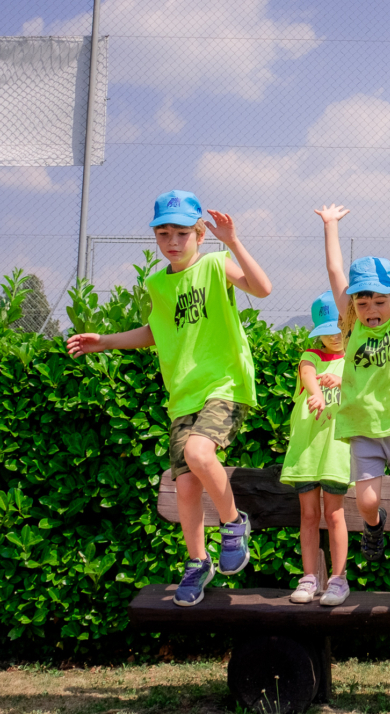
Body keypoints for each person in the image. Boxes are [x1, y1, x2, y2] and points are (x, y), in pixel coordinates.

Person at [66, 190, 272, 607]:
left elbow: (262, 289)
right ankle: (198, 562)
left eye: (182, 233)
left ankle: (234, 523)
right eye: (164, 234)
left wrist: (232, 241)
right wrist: (103, 341)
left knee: (200, 453)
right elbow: (155, 333)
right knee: (185, 486)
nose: (173, 242)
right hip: (183, 397)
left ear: (199, 234)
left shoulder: (215, 264)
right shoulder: (157, 282)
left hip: (225, 385)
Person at [316, 198, 390, 569]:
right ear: (353, 306)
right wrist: (330, 226)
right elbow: (334, 271)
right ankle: (373, 527)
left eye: (380, 301)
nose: (371, 310)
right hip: (364, 427)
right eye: (363, 303)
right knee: (365, 501)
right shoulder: (351, 327)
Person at [282, 290, 352, 607]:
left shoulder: (354, 362)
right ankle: (309, 578)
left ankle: (338, 579)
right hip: (306, 454)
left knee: (334, 514)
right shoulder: (309, 357)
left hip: (337, 452)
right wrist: (316, 393)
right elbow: (308, 374)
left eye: (340, 328)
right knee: (309, 515)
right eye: (328, 331)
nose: (335, 336)